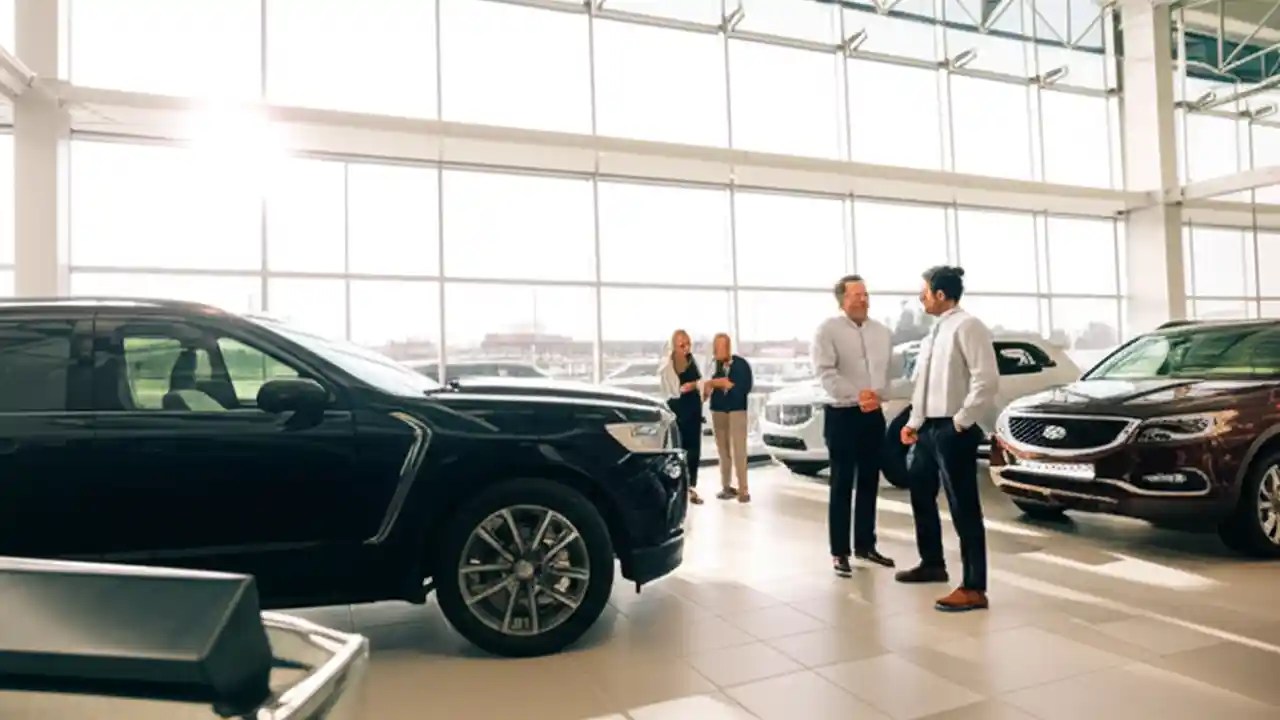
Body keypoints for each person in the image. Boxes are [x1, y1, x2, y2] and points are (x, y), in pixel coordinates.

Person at [897, 265, 998, 613]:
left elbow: (986, 380)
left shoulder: (968, 326)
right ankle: (932, 563)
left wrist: (960, 422)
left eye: (924, 292)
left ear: (941, 295)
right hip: (927, 429)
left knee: (963, 506)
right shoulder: (934, 333)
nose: (920, 298)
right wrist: (914, 422)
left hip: (952, 430)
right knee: (920, 494)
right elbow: (923, 385)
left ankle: (974, 587)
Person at [812, 275, 895, 577]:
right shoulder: (828, 330)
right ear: (842, 299)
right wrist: (855, 394)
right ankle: (839, 552)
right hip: (842, 414)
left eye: (866, 294)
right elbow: (825, 371)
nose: (863, 299)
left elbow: (887, 372)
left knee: (870, 482)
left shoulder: (882, 332)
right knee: (842, 484)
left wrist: (878, 395)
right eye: (856, 295)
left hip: (872, 415)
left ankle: (865, 545)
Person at [704, 333, 753, 503]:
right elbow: (706, 387)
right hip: (718, 410)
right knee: (722, 450)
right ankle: (726, 486)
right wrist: (713, 384)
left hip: (737, 410)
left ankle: (743, 489)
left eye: (722, 346)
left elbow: (743, 387)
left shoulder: (741, 364)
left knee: (739, 449)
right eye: (716, 347)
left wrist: (721, 384)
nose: (718, 350)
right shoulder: (712, 366)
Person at [659, 329, 705, 505]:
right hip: (678, 408)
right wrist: (684, 388)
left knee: (694, 447)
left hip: (693, 407)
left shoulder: (692, 360)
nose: (685, 348)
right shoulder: (668, 364)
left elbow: (698, 381)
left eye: (687, 344)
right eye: (681, 344)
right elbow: (671, 389)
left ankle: (691, 486)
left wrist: (695, 385)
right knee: (679, 447)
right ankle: (678, 487)